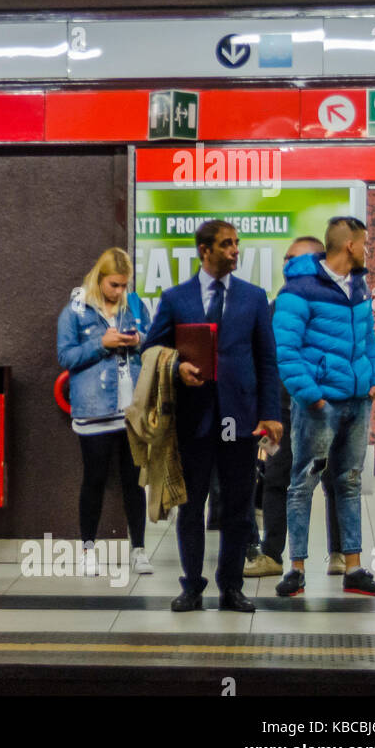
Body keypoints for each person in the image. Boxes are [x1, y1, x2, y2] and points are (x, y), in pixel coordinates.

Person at [142, 219, 282, 613]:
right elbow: (150, 351)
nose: (235, 250)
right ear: (204, 250)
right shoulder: (175, 298)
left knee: (238, 508)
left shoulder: (254, 298)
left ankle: (231, 588)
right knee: (191, 506)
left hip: (239, 418)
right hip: (194, 418)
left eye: (237, 243)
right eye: (226, 244)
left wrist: (271, 413)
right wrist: (176, 369)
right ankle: (192, 586)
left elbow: (267, 361)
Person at [273, 216, 375, 597]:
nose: (367, 250)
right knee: (302, 483)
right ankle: (296, 568)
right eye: (365, 244)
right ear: (350, 247)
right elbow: (286, 353)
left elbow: (368, 339)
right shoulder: (299, 289)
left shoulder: (358, 287)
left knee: (349, 482)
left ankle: (353, 568)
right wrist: (312, 395)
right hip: (319, 405)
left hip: (358, 402)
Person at [245, 236, 344, 578]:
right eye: (286, 260)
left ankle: (342, 553)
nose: (287, 267)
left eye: (294, 260)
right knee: (275, 479)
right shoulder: (275, 307)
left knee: (336, 481)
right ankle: (271, 554)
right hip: (283, 412)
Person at [55, 249, 152, 577]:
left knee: (134, 482)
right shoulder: (76, 311)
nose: (120, 292)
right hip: (94, 411)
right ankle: (87, 549)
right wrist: (103, 344)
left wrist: (138, 339)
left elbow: (153, 343)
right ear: (99, 278)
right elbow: (66, 357)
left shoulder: (135, 305)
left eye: (125, 285)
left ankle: (138, 549)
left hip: (131, 409)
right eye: (114, 285)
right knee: (94, 480)